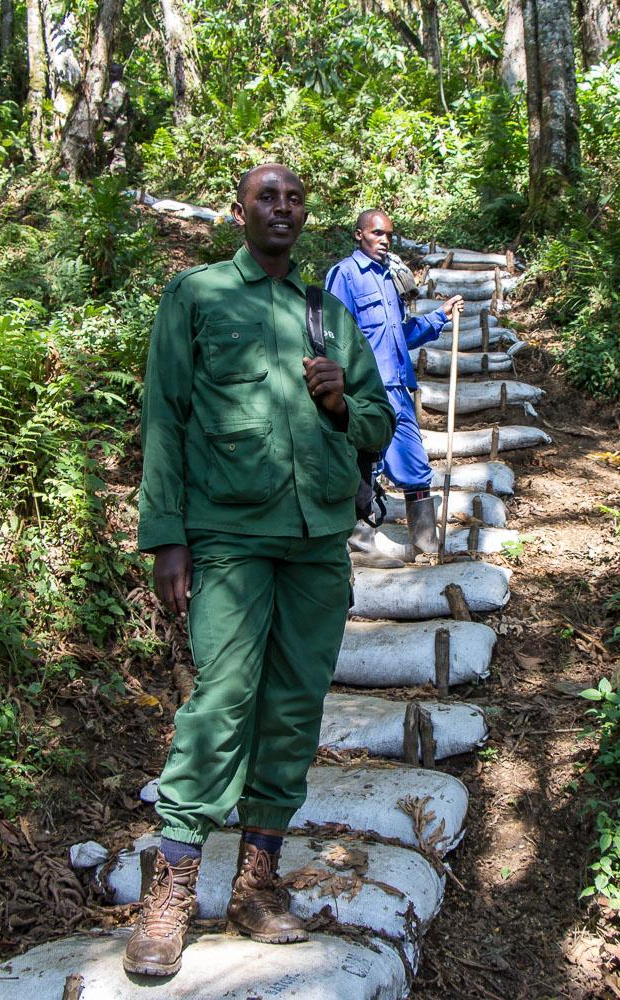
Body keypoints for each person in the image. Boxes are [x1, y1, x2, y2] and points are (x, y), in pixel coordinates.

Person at [126, 164, 394, 977]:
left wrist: (341, 402)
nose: (282, 209)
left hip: (316, 541)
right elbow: (164, 417)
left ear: (306, 216)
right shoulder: (198, 296)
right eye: (266, 198)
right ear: (239, 213)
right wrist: (166, 537)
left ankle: (257, 879)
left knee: (293, 705)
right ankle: (171, 891)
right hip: (231, 537)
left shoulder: (330, 313)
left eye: (295, 199)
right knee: (222, 700)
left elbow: (381, 422)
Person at [325, 210, 463, 565]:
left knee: (416, 465)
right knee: (366, 463)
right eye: (376, 233)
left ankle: (425, 544)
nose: (384, 240)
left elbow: (400, 334)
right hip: (366, 391)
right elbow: (330, 336)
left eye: (388, 234)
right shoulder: (345, 276)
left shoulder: (390, 278)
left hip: (398, 388)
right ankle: (361, 546)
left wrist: (439, 317)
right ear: (359, 235)